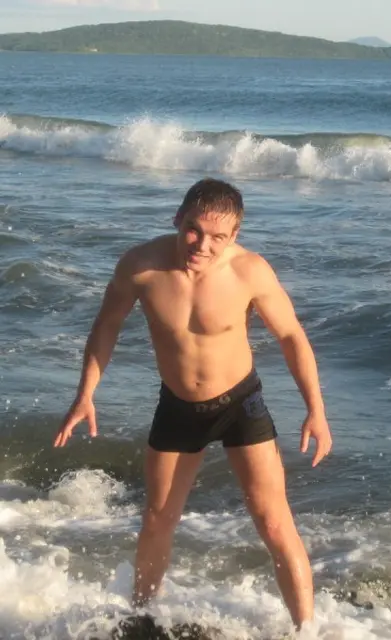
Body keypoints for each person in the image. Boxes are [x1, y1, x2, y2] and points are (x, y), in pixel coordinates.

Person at [54, 178, 332, 628]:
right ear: (177, 219)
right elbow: (106, 325)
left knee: (274, 522)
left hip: (240, 404)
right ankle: (141, 618)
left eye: (218, 237)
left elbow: (290, 336)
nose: (202, 245)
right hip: (178, 407)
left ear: (234, 235)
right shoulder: (140, 266)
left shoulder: (250, 272)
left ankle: (307, 631)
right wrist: (85, 394)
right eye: (193, 230)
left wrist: (315, 409)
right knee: (157, 520)